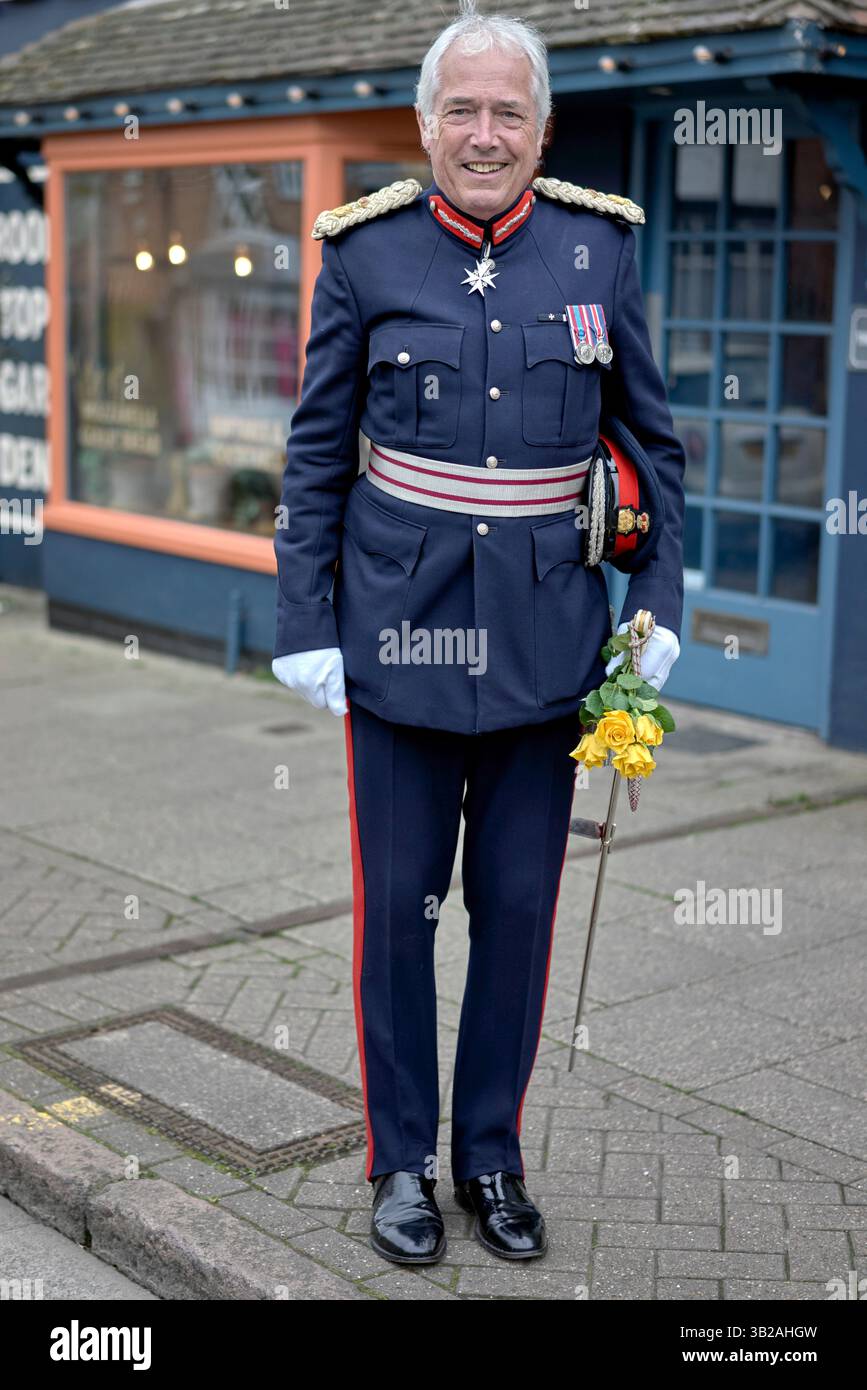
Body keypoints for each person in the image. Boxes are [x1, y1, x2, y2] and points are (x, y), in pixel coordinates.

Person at [272, 3, 685, 1265]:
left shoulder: (596, 253)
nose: (486, 133)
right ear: (426, 123)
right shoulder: (367, 255)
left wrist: (655, 610)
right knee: (398, 915)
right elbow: (314, 450)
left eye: (510, 111)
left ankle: (489, 1159)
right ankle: (400, 1162)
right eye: (464, 109)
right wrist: (306, 618)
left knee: (517, 912)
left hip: (550, 654)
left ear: (543, 126)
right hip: (396, 645)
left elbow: (654, 451)